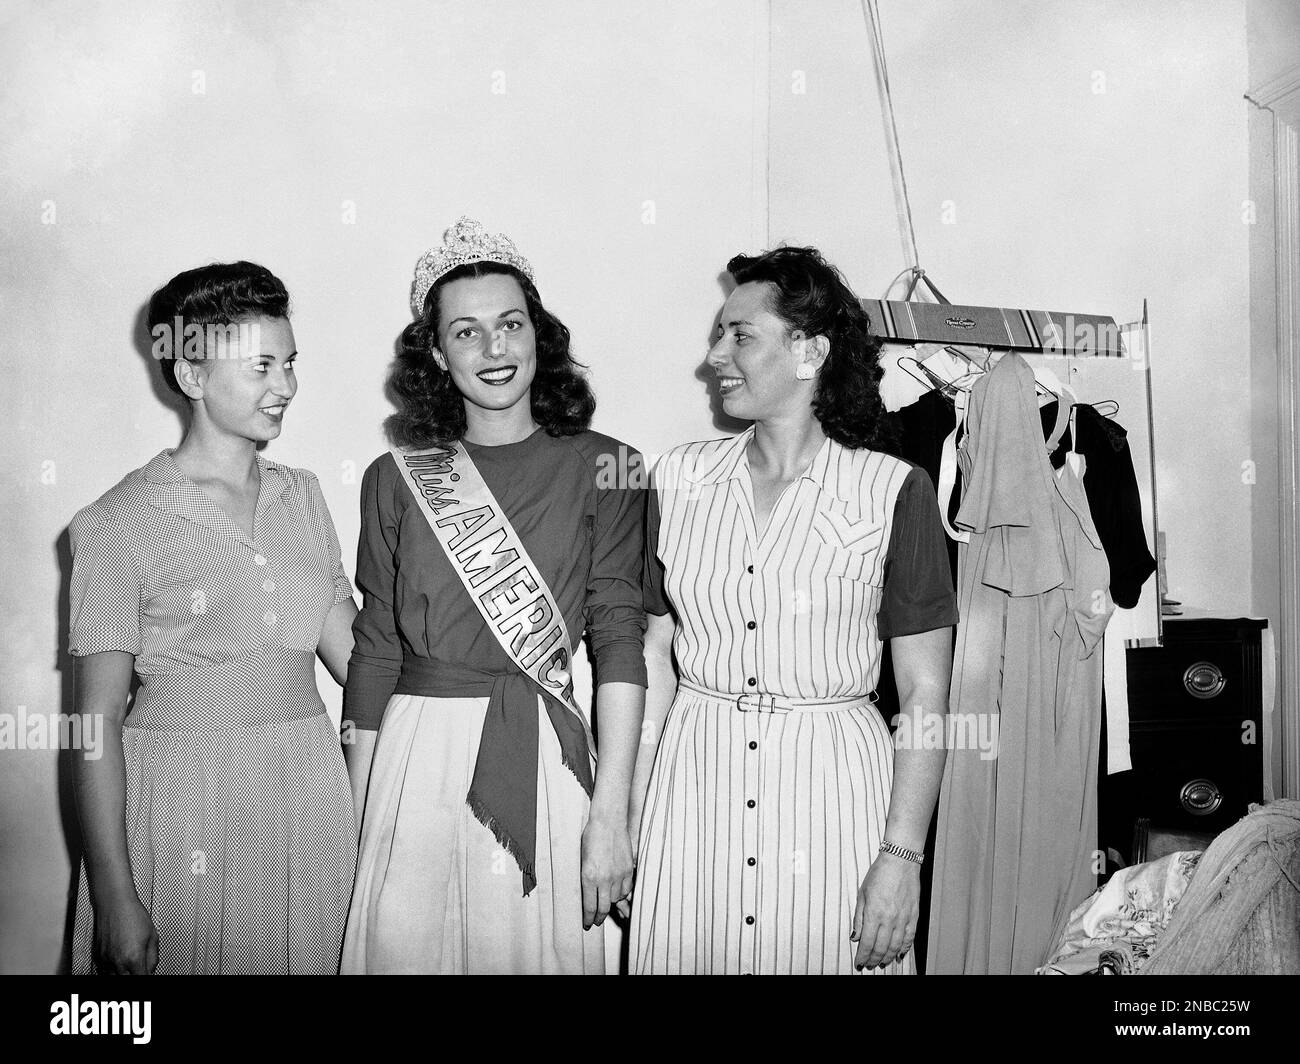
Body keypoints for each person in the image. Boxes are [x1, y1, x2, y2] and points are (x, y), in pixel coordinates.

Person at [628, 245, 958, 975]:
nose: (714, 354)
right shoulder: (676, 478)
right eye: (719, 333)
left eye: (739, 334)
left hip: (835, 795)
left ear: (809, 350)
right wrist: (632, 809)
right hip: (695, 792)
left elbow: (927, 693)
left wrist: (902, 856)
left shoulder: (895, 492)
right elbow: (655, 657)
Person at [340, 217, 647, 974]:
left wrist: (613, 810)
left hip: (548, 751)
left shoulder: (614, 467)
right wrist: (356, 815)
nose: (495, 349)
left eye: (510, 325)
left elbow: (618, 641)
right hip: (417, 760)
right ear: (438, 355)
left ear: (539, 335)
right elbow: (375, 652)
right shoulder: (395, 478)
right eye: (468, 333)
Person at [68, 262, 358, 974]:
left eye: (289, 364)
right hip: (182, 805)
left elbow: (360, 659)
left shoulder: (305, 497)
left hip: (310, 799)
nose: (286, 386)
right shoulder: (116, 522)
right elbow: (93, 722)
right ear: (192, 376)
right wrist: (113, 892)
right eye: (262, 366)